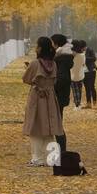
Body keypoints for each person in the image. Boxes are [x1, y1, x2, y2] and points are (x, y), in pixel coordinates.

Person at [22, 37, 64, 166]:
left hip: (37, 97)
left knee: (35, 129)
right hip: (50, 98)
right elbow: (54, 81)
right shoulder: (54, 64)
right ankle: (53, 159)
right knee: (49, 129)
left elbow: (26, 79)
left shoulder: (35, 64)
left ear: (40, 48)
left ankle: (37, 159)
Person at [51, 33, 74, 116]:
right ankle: (58, 128)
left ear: (57, 44)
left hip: (59, 93)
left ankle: (58, 129)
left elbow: (62, 78)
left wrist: (52, 87)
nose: (51, 45)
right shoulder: (63, 57)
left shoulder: (62, 58)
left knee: (57, 115)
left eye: (52, 43)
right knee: (58, 114)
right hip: (61, 92)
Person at [70, 39, 86, 108]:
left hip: (72, 74)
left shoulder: (71, 55)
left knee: (75, 91)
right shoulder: (82, 55)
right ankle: (79, 103)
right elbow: (83, 64)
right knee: (79, 90)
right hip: (81, 74)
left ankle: (77, 105)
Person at [83, 43, 97, 108]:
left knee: (92, 86)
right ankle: (88, 103)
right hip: (84, 72)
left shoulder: (90, 50)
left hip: (91, 70)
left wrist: (85, 58)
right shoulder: (79, 52)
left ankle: (94, 102)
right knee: (86, 87)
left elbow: (94, 58)